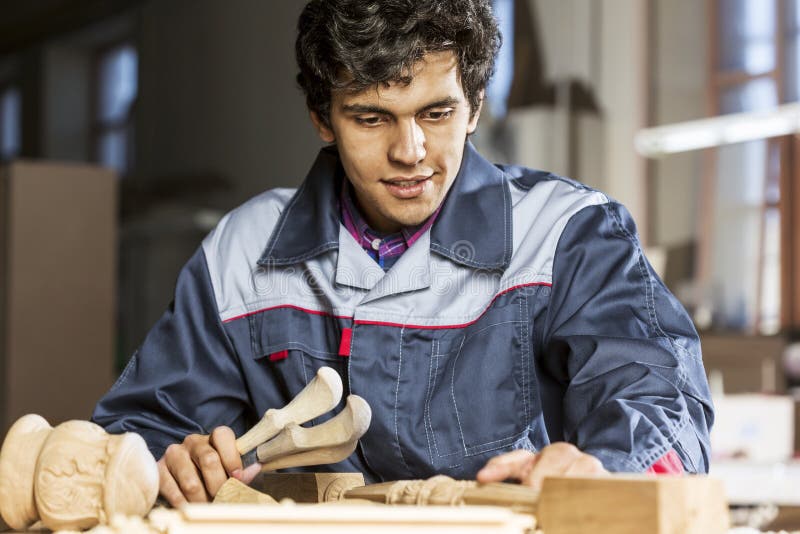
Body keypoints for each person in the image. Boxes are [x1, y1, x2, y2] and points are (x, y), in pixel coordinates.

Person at [93, 0, 714, 507]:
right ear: (322, 118)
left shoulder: (570, 234)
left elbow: (662, 407)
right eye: (371, 118)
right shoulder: (241, 252)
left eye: (436, 112)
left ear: (473, 105)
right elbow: (135, 437)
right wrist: (166, 463)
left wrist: (608, 473)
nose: (411, 151)